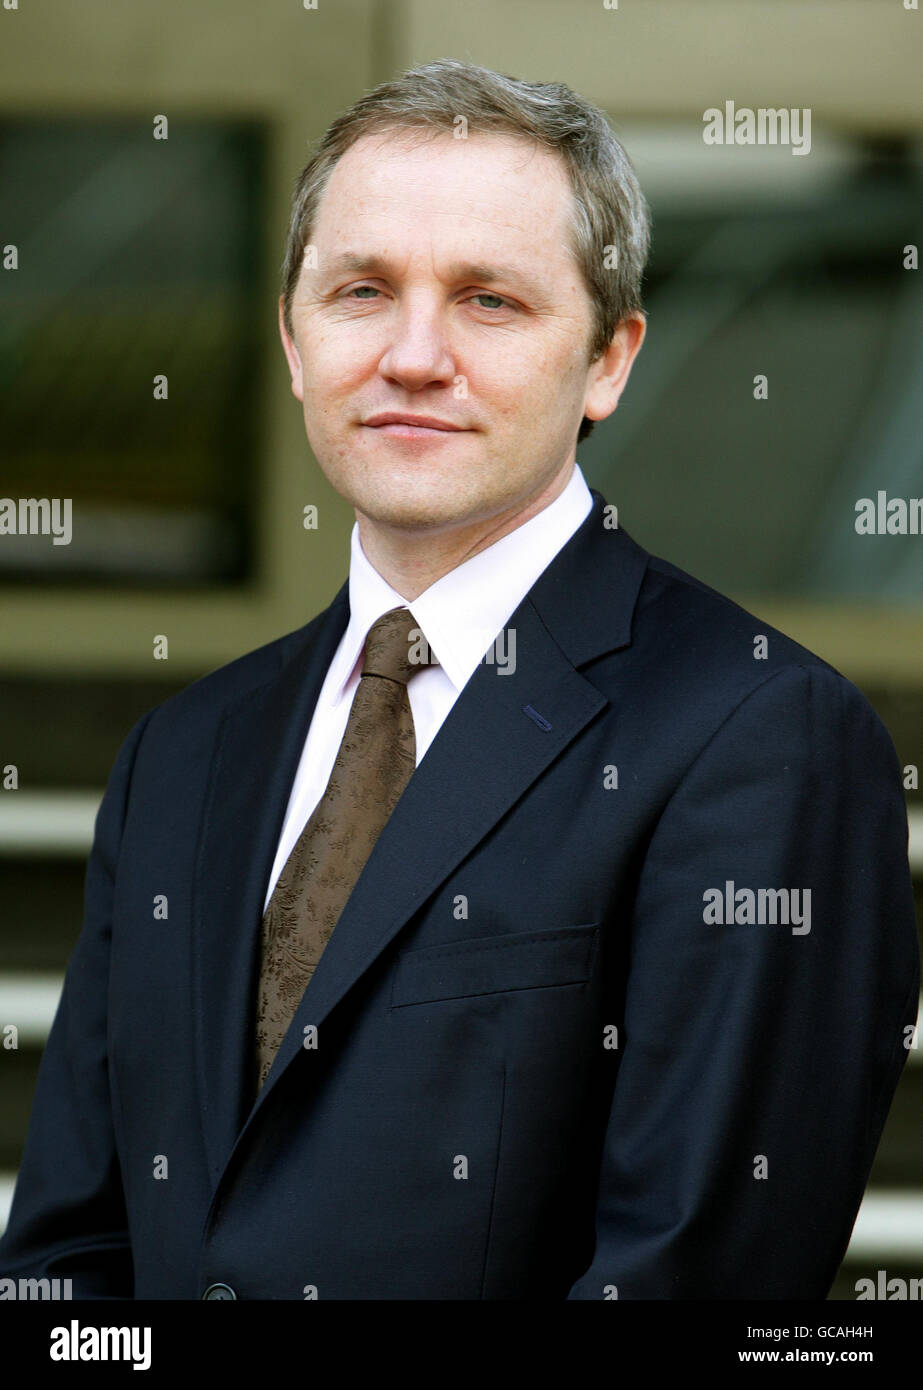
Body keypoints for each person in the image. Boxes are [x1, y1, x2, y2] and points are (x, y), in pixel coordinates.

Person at [1, 58, 917, 1300]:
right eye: (362, 290)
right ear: (292, 338)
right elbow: (67, 1261)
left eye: (488, 301)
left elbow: (694, 1278)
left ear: (607, 360)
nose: (412, 355)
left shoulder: (758, 735)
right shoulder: (183, 751)